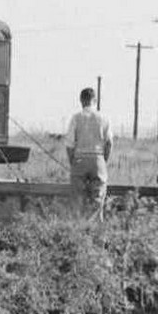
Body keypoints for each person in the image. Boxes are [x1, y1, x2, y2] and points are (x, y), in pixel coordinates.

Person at [65, 86, 112, 219]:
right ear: (95, 100)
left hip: (79, 160)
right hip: (98, 160)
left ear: (81, 100)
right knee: (97, 201)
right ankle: (96, 231)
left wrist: (72, 162)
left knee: (77, 201)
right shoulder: (103, 118)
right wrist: (103, 161)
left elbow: (69, 145)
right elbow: (109, 143)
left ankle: (79, 230)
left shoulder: (75, 118)